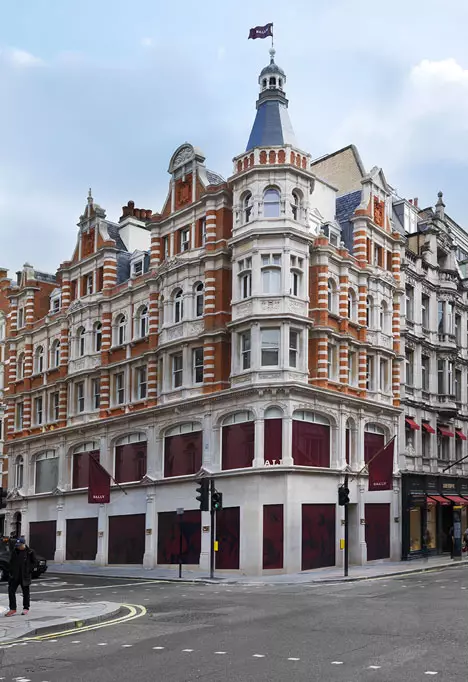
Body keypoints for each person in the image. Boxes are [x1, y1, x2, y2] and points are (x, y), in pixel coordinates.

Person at [4, 537, 36, 617]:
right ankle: (12, 609)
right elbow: (11, 562)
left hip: (24, 576)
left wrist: (28, 570)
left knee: (25, 593)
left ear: (23, 544)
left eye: (20, 545)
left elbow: (34, 563)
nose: (18, 547)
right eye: (17, 545)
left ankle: (26, 608)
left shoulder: (30, 552)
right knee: (11, 591)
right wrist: (10, 572)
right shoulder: (15, 551)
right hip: (15, 576)